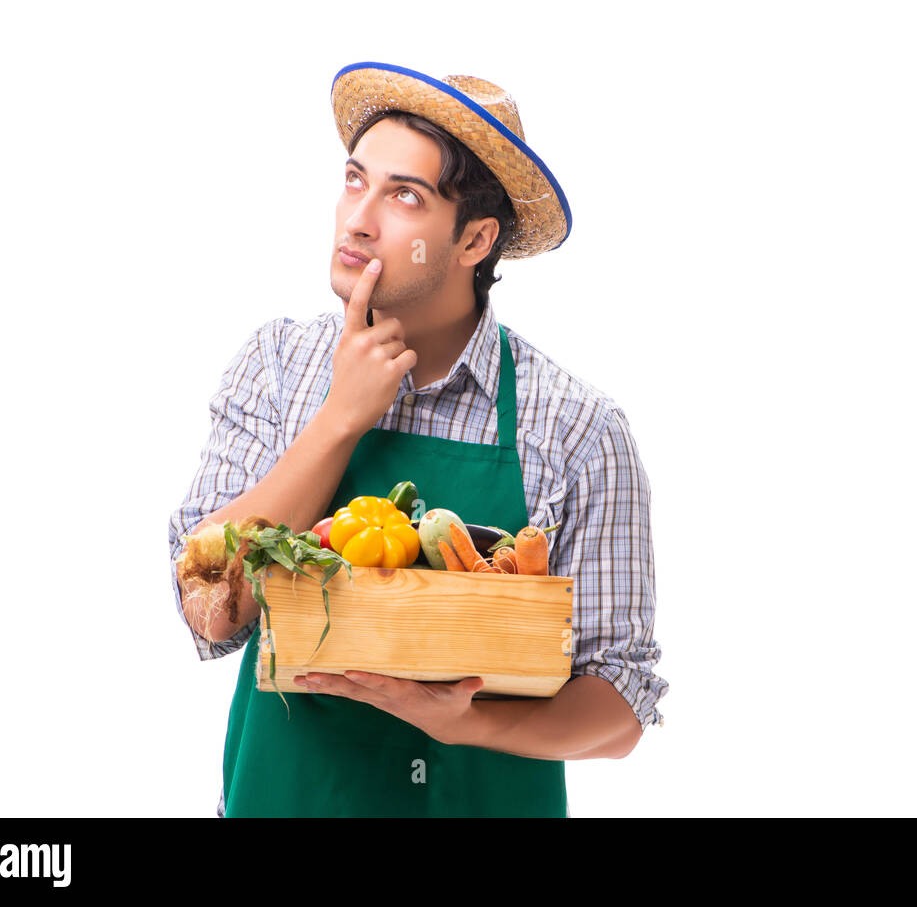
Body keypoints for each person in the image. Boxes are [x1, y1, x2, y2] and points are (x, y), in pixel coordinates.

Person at [168, 62, 667, 817]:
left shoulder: (576, 428)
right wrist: (340, 419)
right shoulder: (274, 368)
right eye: (354, 180)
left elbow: (621, 704)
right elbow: (208, 610)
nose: (359, 219)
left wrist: (468, 721)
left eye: (405, 196)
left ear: (475, 240)